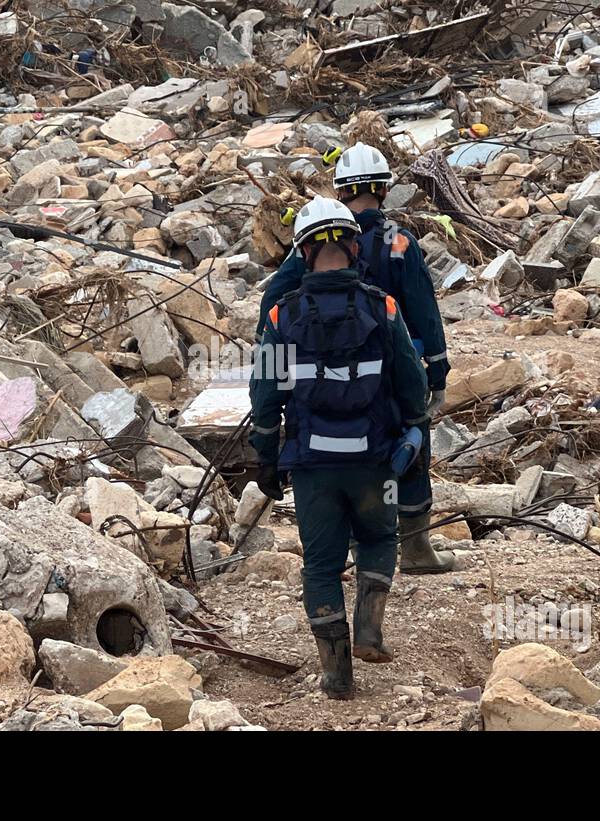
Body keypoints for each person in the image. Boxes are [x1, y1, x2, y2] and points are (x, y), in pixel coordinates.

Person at [249, 197, 430, 700]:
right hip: (375, 462)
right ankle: (369, 626)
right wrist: (416, 436)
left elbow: (265, 393)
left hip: (313, 467)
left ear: (303, 253)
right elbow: (412, 387)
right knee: (378, 538)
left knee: (321, 565)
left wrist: (264, 454)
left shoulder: (282, 316)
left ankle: (336, 673)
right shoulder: (384, 307)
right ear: (354, 246)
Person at [257, 143, 457, 574]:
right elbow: (424, 311)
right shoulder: (398, 241)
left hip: (326, 374)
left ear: (341, 189)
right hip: (392, 372)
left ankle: (350, 547)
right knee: (409, 446)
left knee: (340, 445)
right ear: (385, 188)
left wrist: (272, 355)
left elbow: (273, 300)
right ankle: (416, 550)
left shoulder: (312, 242)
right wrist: (437, 372)